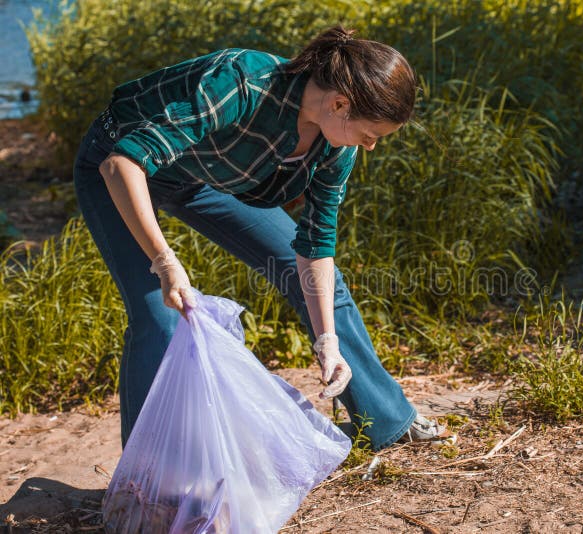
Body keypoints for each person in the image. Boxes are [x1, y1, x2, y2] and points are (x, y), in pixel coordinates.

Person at [72, 25, 448, 451]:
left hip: (200, 177)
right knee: (160, 315)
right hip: (118, 165)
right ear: (340, 104)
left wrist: (327, 340)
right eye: (370, 135)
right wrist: (164, 261)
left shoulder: (335, 146)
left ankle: (386, 422)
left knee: (316, 282)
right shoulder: (242, 81)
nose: (371, 147)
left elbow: (315, 246)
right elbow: (123, 165)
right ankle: (148, 468)